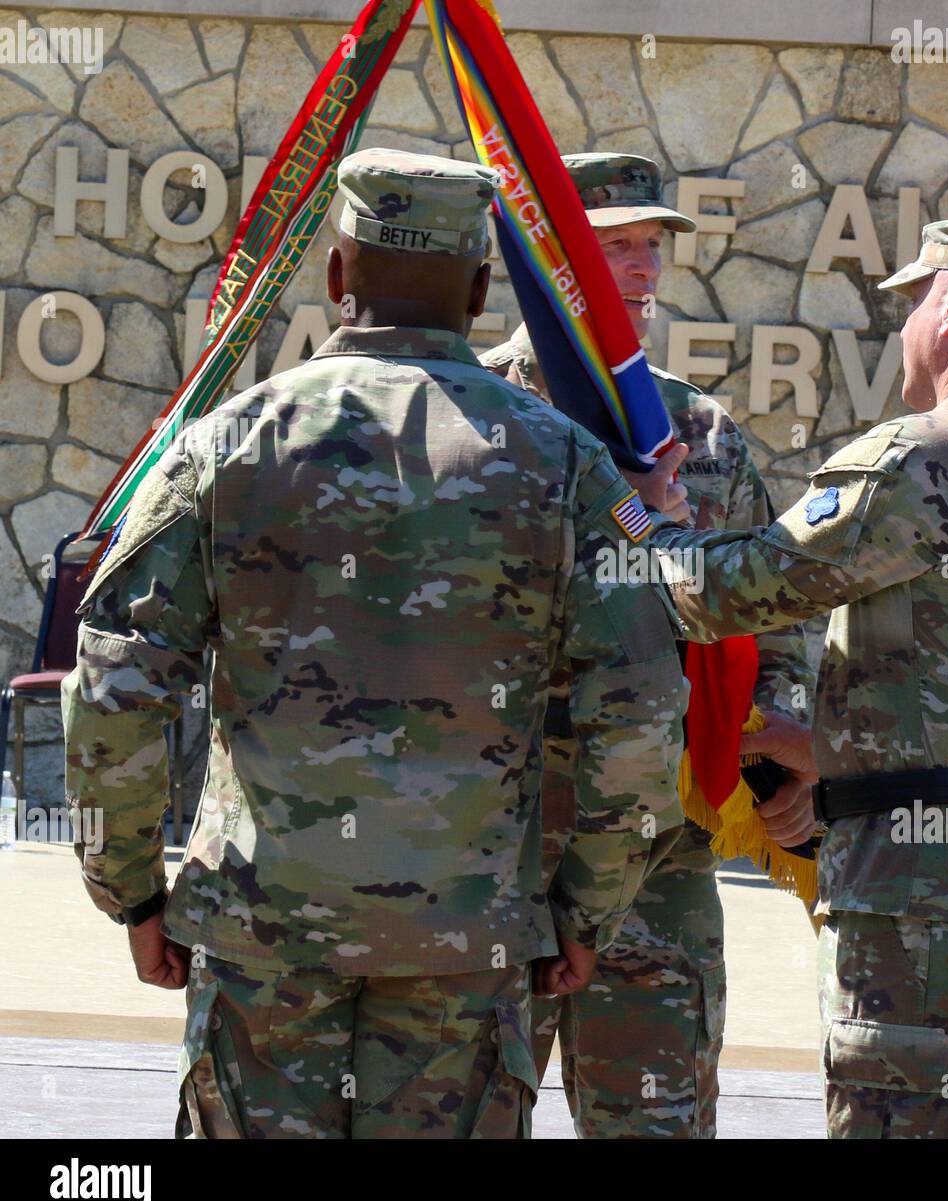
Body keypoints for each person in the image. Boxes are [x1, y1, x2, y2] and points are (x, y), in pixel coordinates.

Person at [61, 150, 686, 1140]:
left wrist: (131, 894)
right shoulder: (564, 463)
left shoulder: (227, 444)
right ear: (478, 292)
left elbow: (117, 686)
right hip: (465, 946)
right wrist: (585, 909)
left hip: (264, 939)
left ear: (337, 275)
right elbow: (641, 702)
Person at [636, 213, 948, 1139]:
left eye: (911, 303)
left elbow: (732, 592)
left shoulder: (938, 453)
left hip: (928, 900)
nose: (902, 327)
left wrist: (642, 520)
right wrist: (824, 746)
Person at [479, 151, 815, 1139]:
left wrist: (780, 756)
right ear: (552, 263)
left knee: (655, 1122)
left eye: (651, 246)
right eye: (614, 246)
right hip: (493, 842)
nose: (642, 268)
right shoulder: (472, 411)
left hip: (656, 849)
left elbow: (764, 611)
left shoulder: (697, 429)